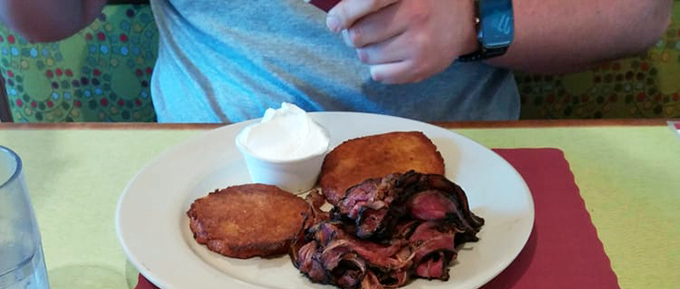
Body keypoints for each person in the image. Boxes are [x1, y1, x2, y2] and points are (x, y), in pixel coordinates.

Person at [0, 0, 672, 123]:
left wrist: (472, 19)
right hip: (200, 176)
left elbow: (639, 15)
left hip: (465, 182)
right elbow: (46, 22)